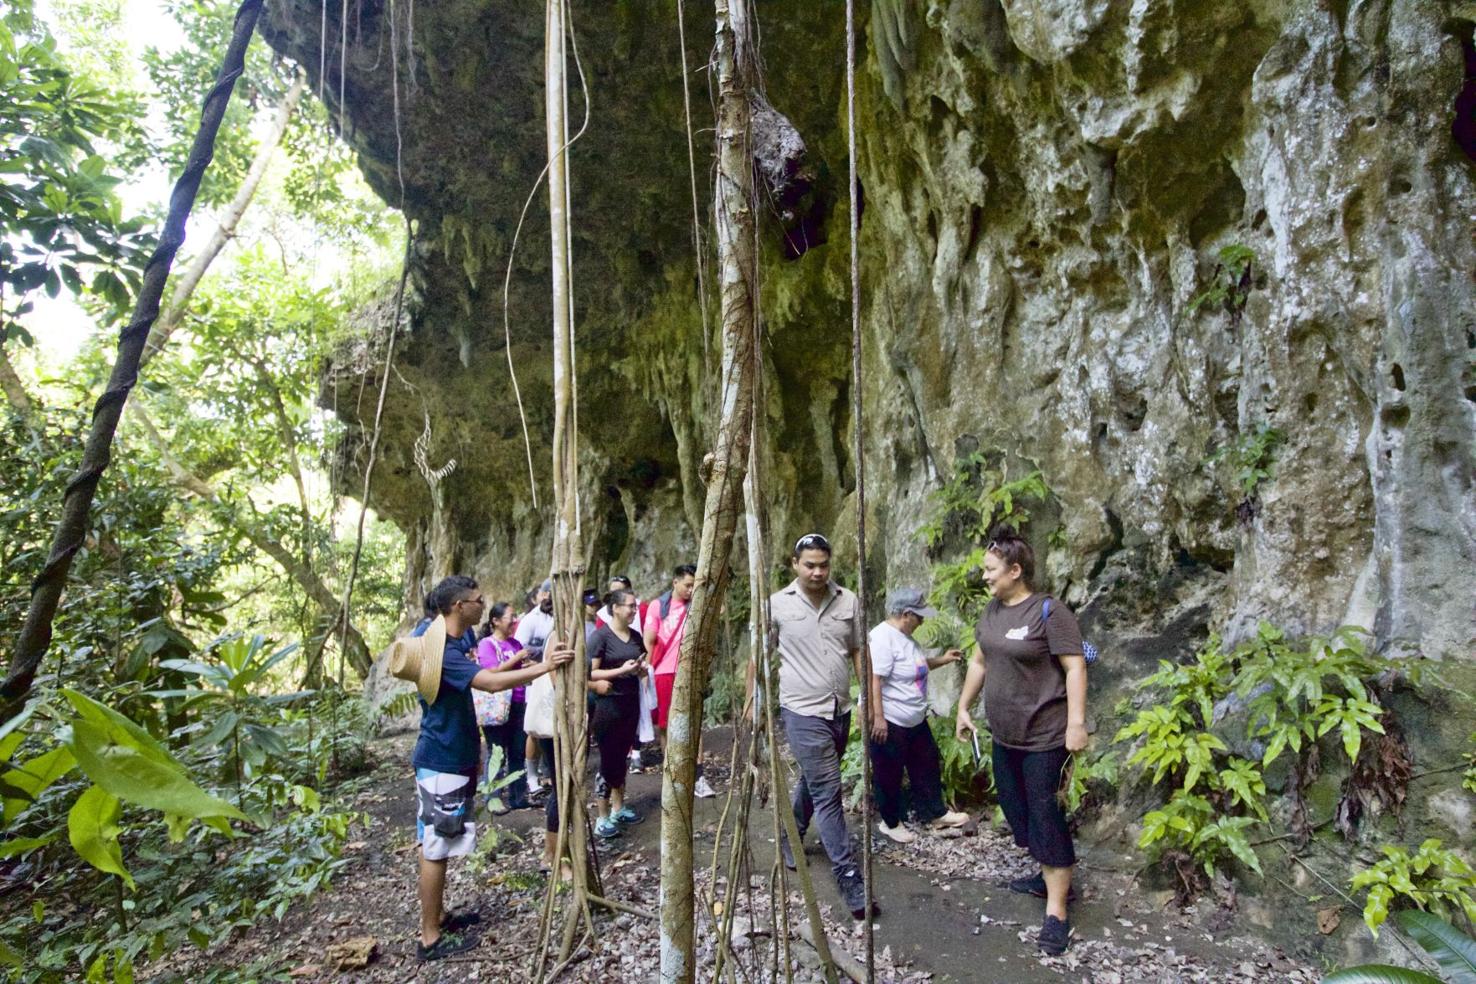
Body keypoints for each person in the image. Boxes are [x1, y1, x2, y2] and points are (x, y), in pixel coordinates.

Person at [388, 575, 575, 961]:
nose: (483, 604)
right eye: (477, 600)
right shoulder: (445, 654)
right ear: (459, 607)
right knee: (435, 846)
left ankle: (438, 916)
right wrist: (544, 667)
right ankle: (430, 938)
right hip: (442, 759)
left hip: (448, 756)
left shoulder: (452, 639)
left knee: (436, 840)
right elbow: (490, 683)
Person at [954, 527, 1088, 956]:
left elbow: (1075, 667)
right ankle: (1048, 871)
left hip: (1045, 737)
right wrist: (963, 707)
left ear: (1015, 571)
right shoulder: (992, 611)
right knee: (1017, 810)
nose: (984, 576)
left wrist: (1076, 724)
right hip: (1005, 736)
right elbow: (979, 661)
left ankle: (1057, 911)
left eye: (991, 570)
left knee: (1045, 816)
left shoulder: (1049, 612)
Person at [769, 533, 876, 920]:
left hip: (839, 709)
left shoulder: (848, 600)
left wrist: (867, 700)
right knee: (829, 790)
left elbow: (858, 650)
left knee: (815, 781)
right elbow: (760, 656)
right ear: (795, 564)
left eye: (823, 565)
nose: (817, 572)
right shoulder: (776, 605)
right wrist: (754, 704)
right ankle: (847, 874)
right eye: (810, 565)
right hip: (801, 711)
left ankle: (791, 834)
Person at [866, 588, 970, 843]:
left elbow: (915, 667)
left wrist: (943, 659)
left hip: (915, 719)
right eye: (919, 616)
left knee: (926, 763)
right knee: (888, 773)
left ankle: (934, 813)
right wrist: (878, 718)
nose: (922, 621)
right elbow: (874, 679)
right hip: (892, 720)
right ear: (906, 614)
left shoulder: (906, 638)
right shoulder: (882, 638)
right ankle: (890, 823)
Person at [644, 563, 716, 797]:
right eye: (687, 585)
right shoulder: (658, 606)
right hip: (664, 672)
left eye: (694, 586)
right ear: (675, 582)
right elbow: (649, 641)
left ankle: (698, 776)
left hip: (690, 671)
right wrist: (646, 673)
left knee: (694, 723)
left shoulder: (697, 604)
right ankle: (672, 774)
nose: (690, 590)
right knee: (666, 725)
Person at [587, 588, 650, 838]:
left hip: (631, 704)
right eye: (630, 606)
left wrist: (640, 670)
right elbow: (591, 673)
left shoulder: (635, 636)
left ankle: (618, 807)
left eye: (635, 606)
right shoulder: (600, 637)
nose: (634, 610)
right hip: (608, 706)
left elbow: (640, 662)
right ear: (615, 608)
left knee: (622, 757)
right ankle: (602, 817)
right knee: (607, 759)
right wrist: (620, 671)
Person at [475, 602, 529, 811]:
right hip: (496, 705)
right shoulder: (486, 644)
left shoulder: (515, 643)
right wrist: (516, 659)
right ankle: (493, 797)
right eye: (510, 617)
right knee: (496, 751)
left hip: (518, 701)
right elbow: (491, 673)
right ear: (495, 621)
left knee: (518, 751)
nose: (514, 621)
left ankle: (518, 796)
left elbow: (521, 670)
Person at [516, 580, 556, 797]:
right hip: (536, 680)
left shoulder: (559, 620)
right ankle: (531, 776)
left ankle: (548, 771)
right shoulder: (530, 620)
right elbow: (519, 648)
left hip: (552, 678)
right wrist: (538, 660)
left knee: (550, 729)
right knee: (535, 729)